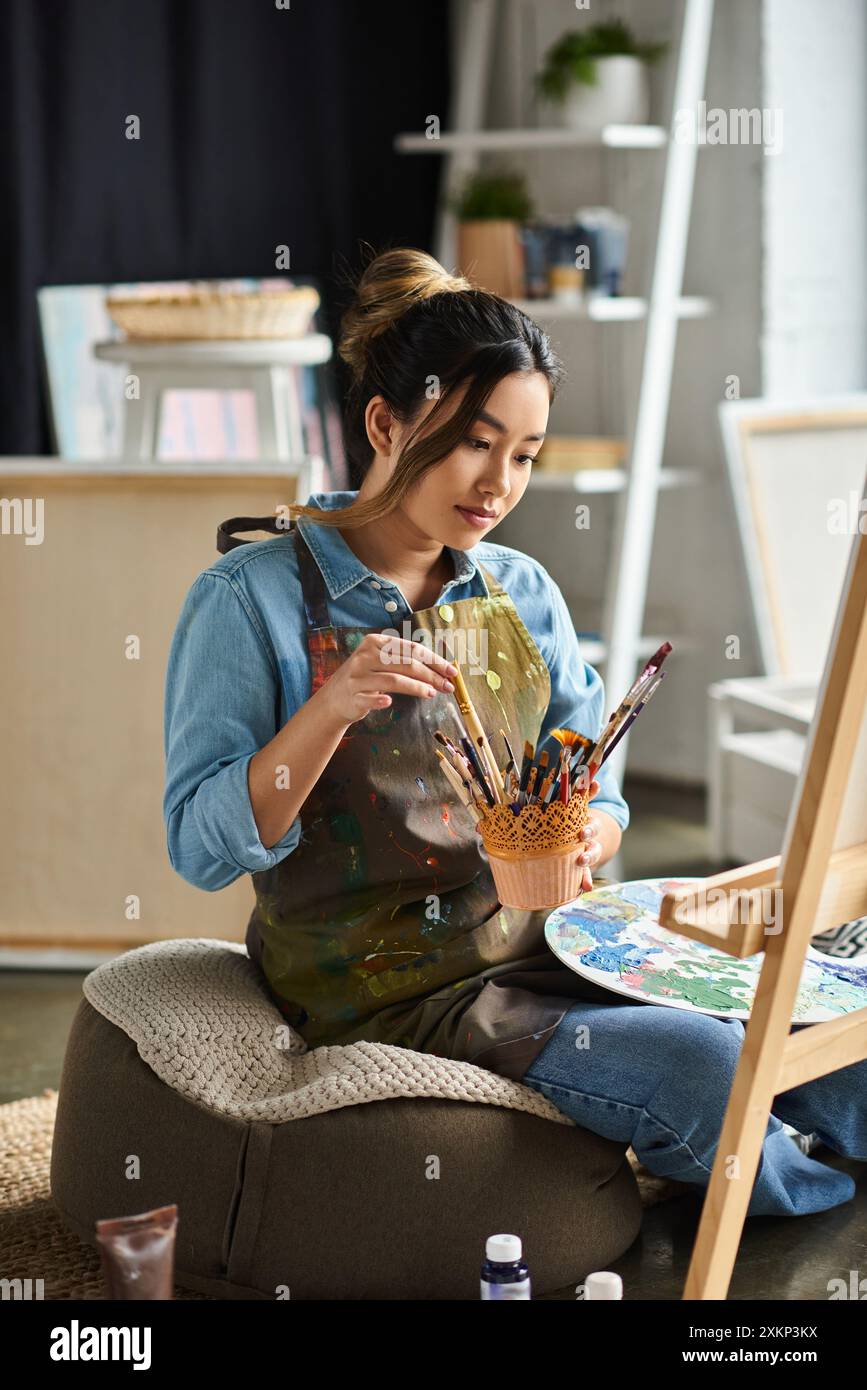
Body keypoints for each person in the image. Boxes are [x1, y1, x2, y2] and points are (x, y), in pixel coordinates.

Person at [163, 247, 865, 1218]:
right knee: (707, 1064)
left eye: (526, 456)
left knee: (818, 1009)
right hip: (391, 990)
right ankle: (814, 1209)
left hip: (559, 941)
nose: (498, 484)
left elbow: (597, 779)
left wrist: (591, 836)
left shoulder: (520, 590)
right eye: (474, 443)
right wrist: (328, 709)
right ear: (386, 421)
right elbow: (198, 846)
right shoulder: (249, 600)